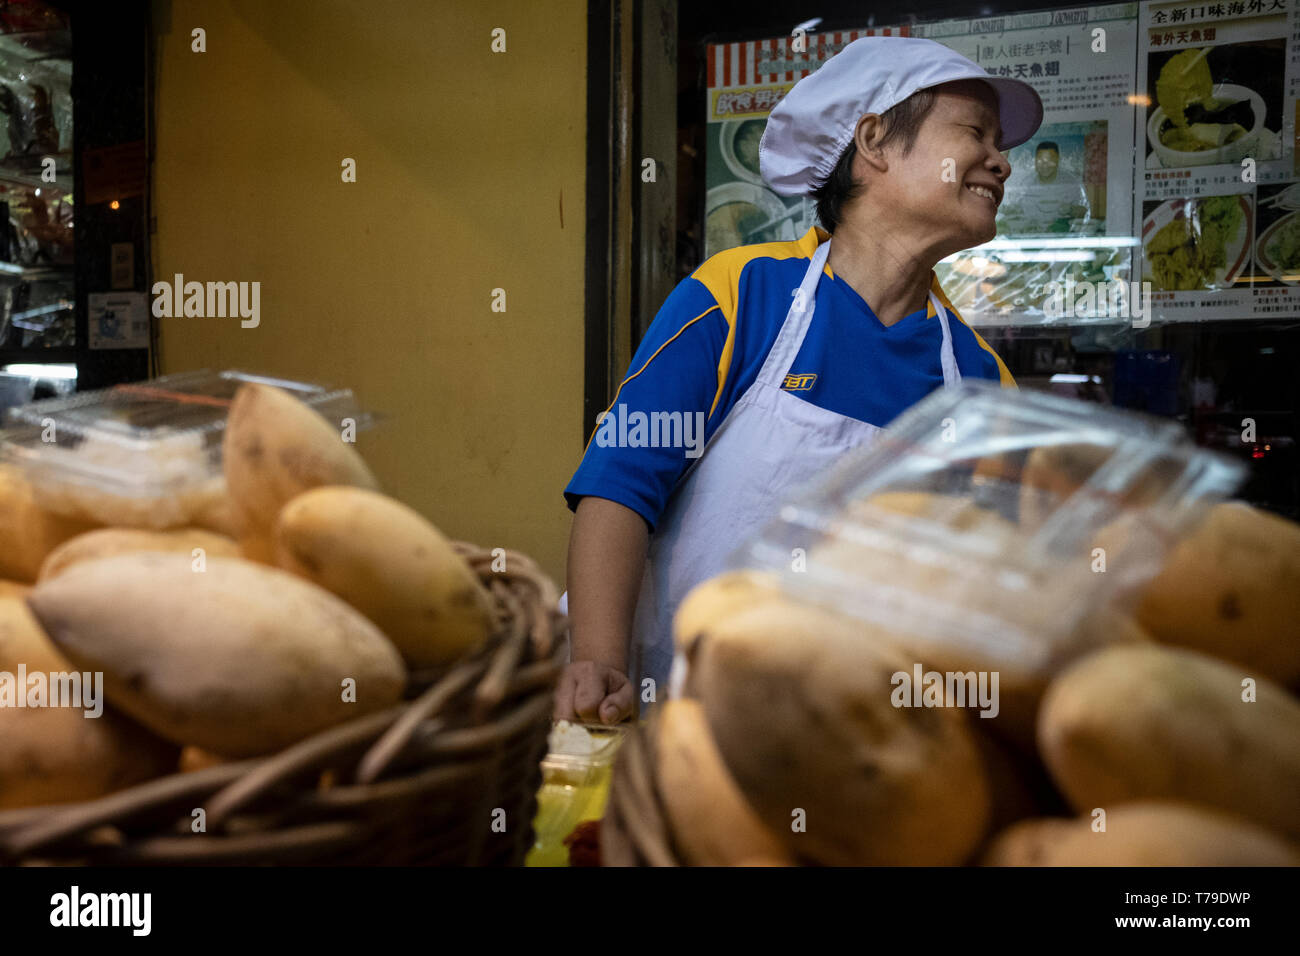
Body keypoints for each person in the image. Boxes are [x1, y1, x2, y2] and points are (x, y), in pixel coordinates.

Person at [555, 36, 1043, 723]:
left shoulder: (979, 379)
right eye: (974, 132)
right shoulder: (742, 294)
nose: (1001, 161)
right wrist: (597, 660)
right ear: (874, 141)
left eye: (1000, 143)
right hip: (660, 716)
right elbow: (621, 484)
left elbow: (983, 584)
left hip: (846, 743)